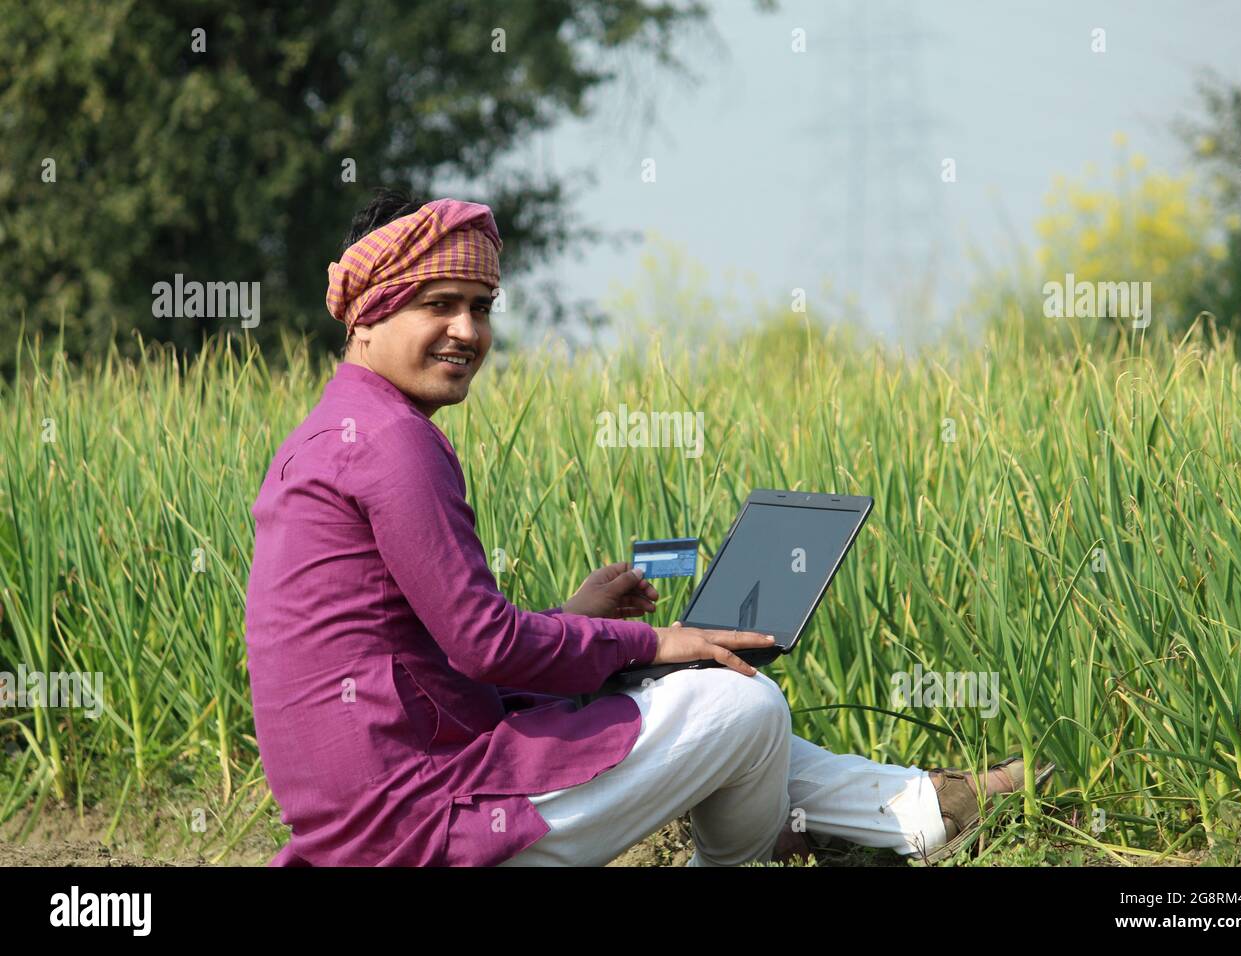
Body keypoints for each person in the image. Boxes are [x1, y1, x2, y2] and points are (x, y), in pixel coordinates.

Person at [244, 188, 1051, 867]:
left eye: (481, 308)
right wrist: (659, 641)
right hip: (416, 823)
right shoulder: (391, 443)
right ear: (370, 314)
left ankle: (922, 812)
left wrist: (581, 623)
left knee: (692, 693)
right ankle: (763, 844)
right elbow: (481, 646)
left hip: (370, 812)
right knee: (746, 706)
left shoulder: (332, 433)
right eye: (439, 304)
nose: (467, 331)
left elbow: (427, 657)